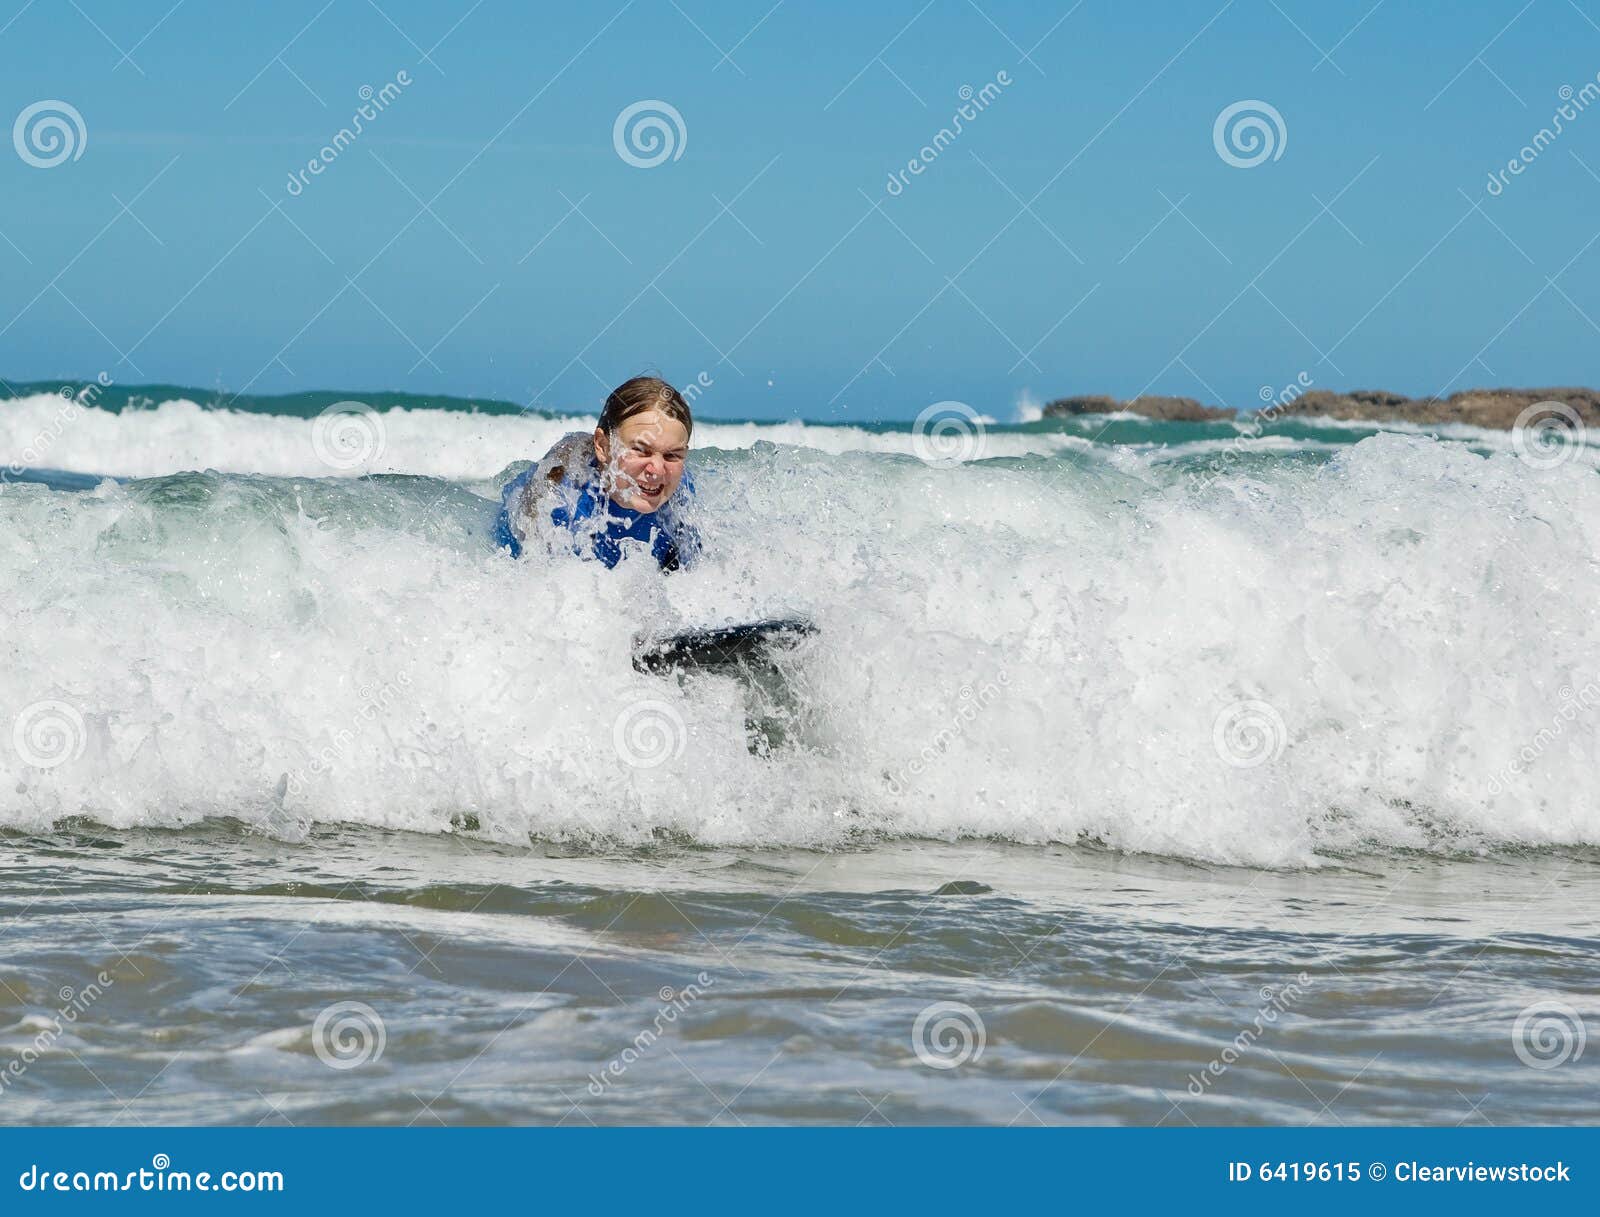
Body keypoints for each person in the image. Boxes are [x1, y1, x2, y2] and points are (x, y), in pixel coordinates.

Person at [495, 375, 700, 570]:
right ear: (602, 446)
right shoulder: (563, 503)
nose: (657, 470)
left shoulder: (681, 500)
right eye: (640, 450)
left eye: (672, 455)